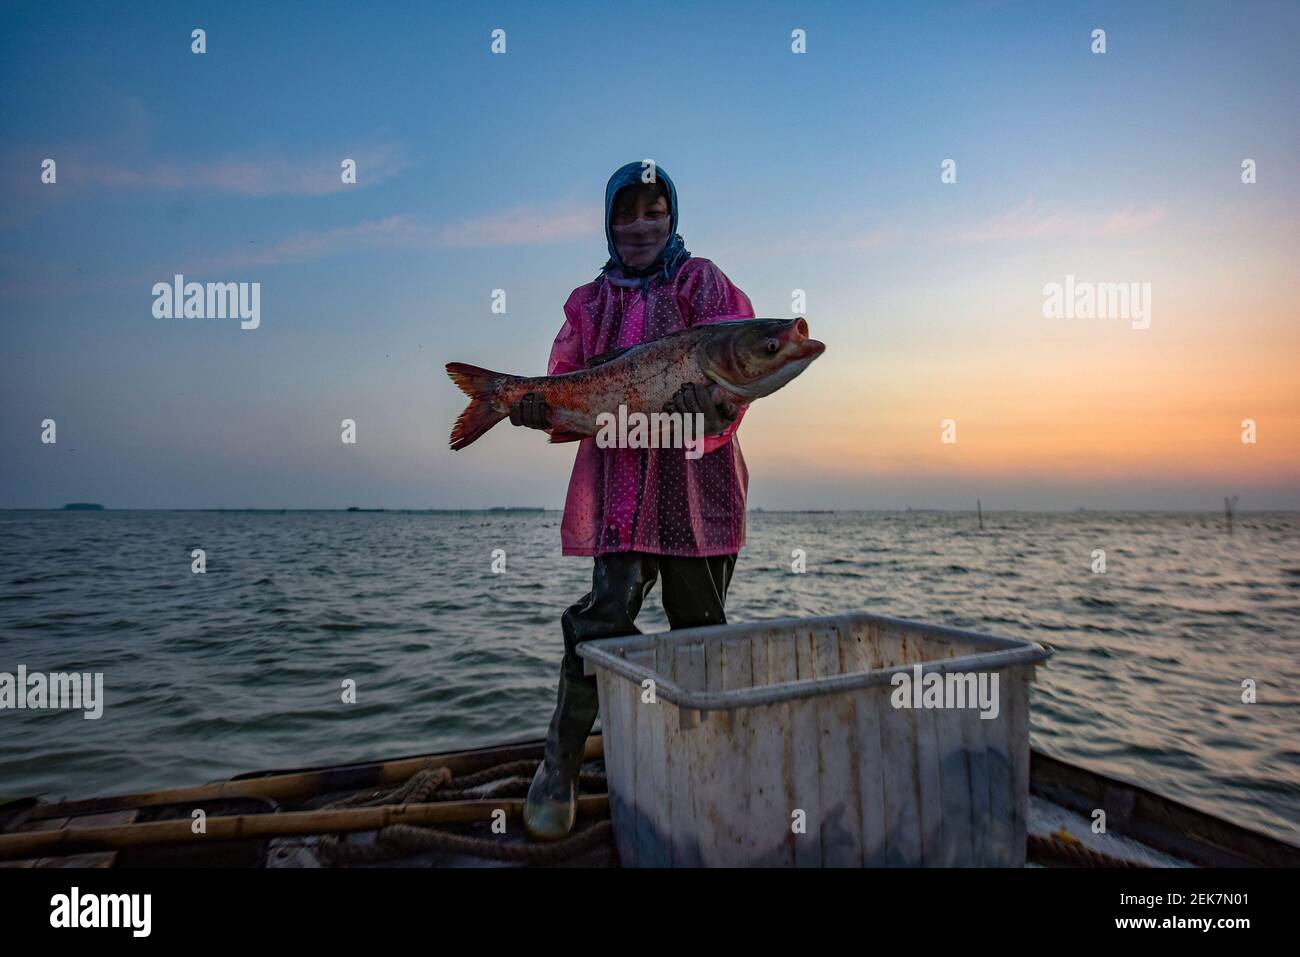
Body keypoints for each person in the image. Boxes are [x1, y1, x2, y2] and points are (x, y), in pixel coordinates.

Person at [513, 161, 755, 840]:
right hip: (620, 483)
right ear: (609, 222)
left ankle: (707, 763)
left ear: (672, 216)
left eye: (654, 211)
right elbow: (566, 388)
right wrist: (539, 407)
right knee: (603, 619)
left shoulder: (702, 282)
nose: (640, 225)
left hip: (698, 488)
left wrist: (707, 409)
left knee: (701, 627)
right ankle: (558, 763)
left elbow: (736, 381)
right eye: (627, 212)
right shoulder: (589, 302)